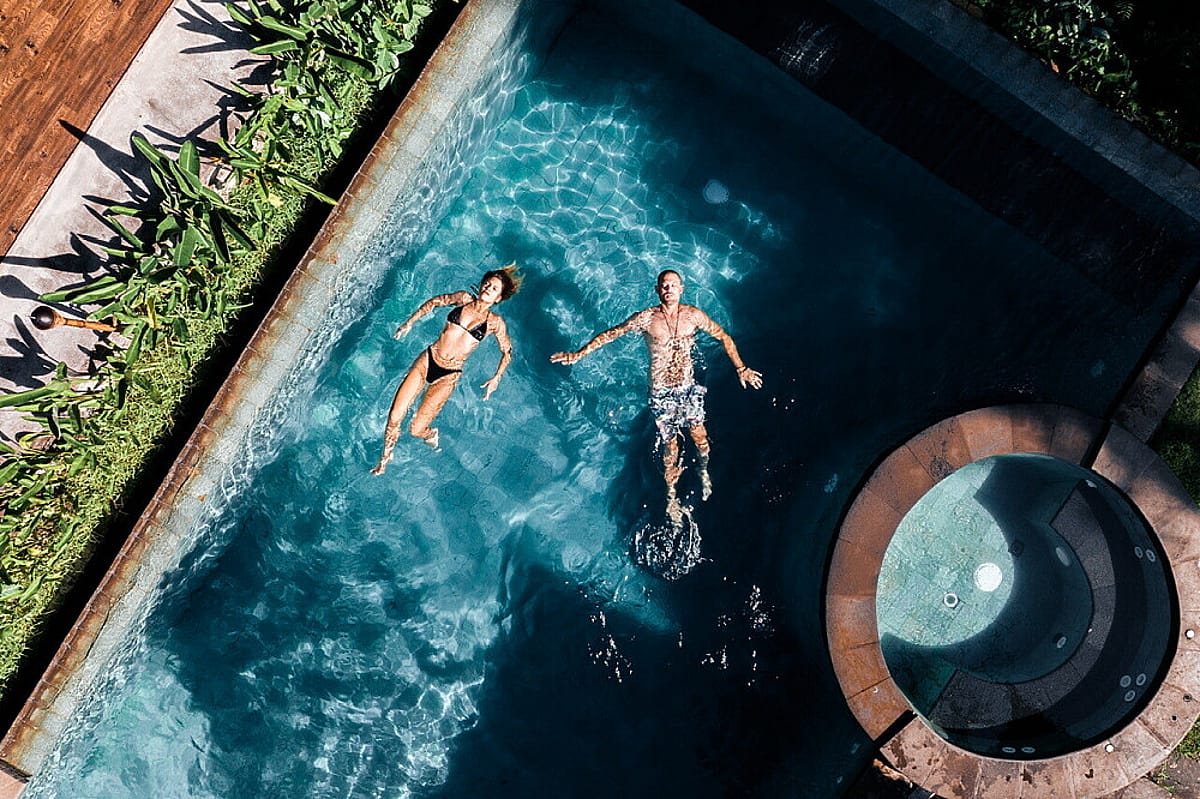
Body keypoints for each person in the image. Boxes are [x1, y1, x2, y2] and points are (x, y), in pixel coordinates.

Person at [550, 269, 762, 520]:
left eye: (673, 284)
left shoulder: (693, 316)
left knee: (700, 436)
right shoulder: (646, 319)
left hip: (687, 387)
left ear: (681, 289)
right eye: (664, 285)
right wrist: (578, 354)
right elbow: (610, 335)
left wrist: (741, 368)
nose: (668, 288)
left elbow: (723, 337)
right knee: (671, 446)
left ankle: (704, 472)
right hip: (661, 393)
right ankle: (671, 496)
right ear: (657, 290)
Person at [371, 265, 520, 474]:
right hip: (428, 360)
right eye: (487, 283)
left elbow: (507, 351)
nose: (488, 288)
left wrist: (496, 378)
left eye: (494, 288)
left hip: (448, 375)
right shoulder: (463, 298)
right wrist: (409, 323)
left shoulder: (495, 323)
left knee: (415, 430)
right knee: (395, 415)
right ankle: (385, 459)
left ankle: (430, 434)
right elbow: (435, 302)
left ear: (498, 298)